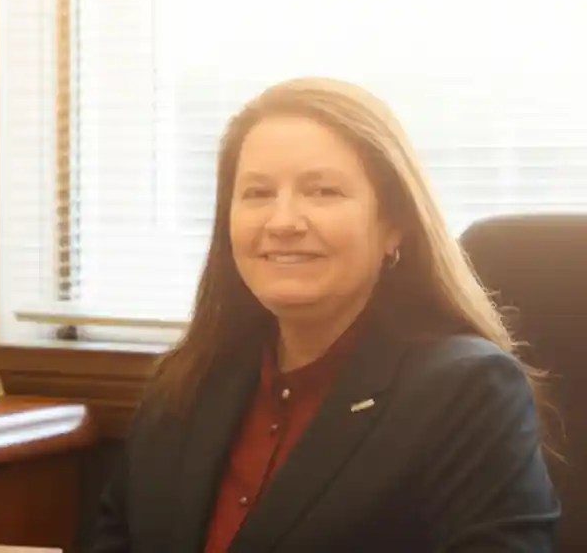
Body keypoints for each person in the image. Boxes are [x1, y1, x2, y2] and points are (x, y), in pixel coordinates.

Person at [94, 77, 560, 552]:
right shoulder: (188, 381)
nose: (283, 222)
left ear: (393, 224)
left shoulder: (466, 391)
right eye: (257, 193)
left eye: (322, 192)